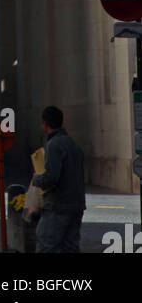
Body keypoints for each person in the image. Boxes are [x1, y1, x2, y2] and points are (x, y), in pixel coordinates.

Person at [31, 105, 86, 253]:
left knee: (46, 246)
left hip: (58, 205)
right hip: (76, 204)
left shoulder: (54, 145)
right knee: (71, 247)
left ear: (45, 124)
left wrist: (37, 179)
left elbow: (51, 177)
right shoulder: (73, 144)